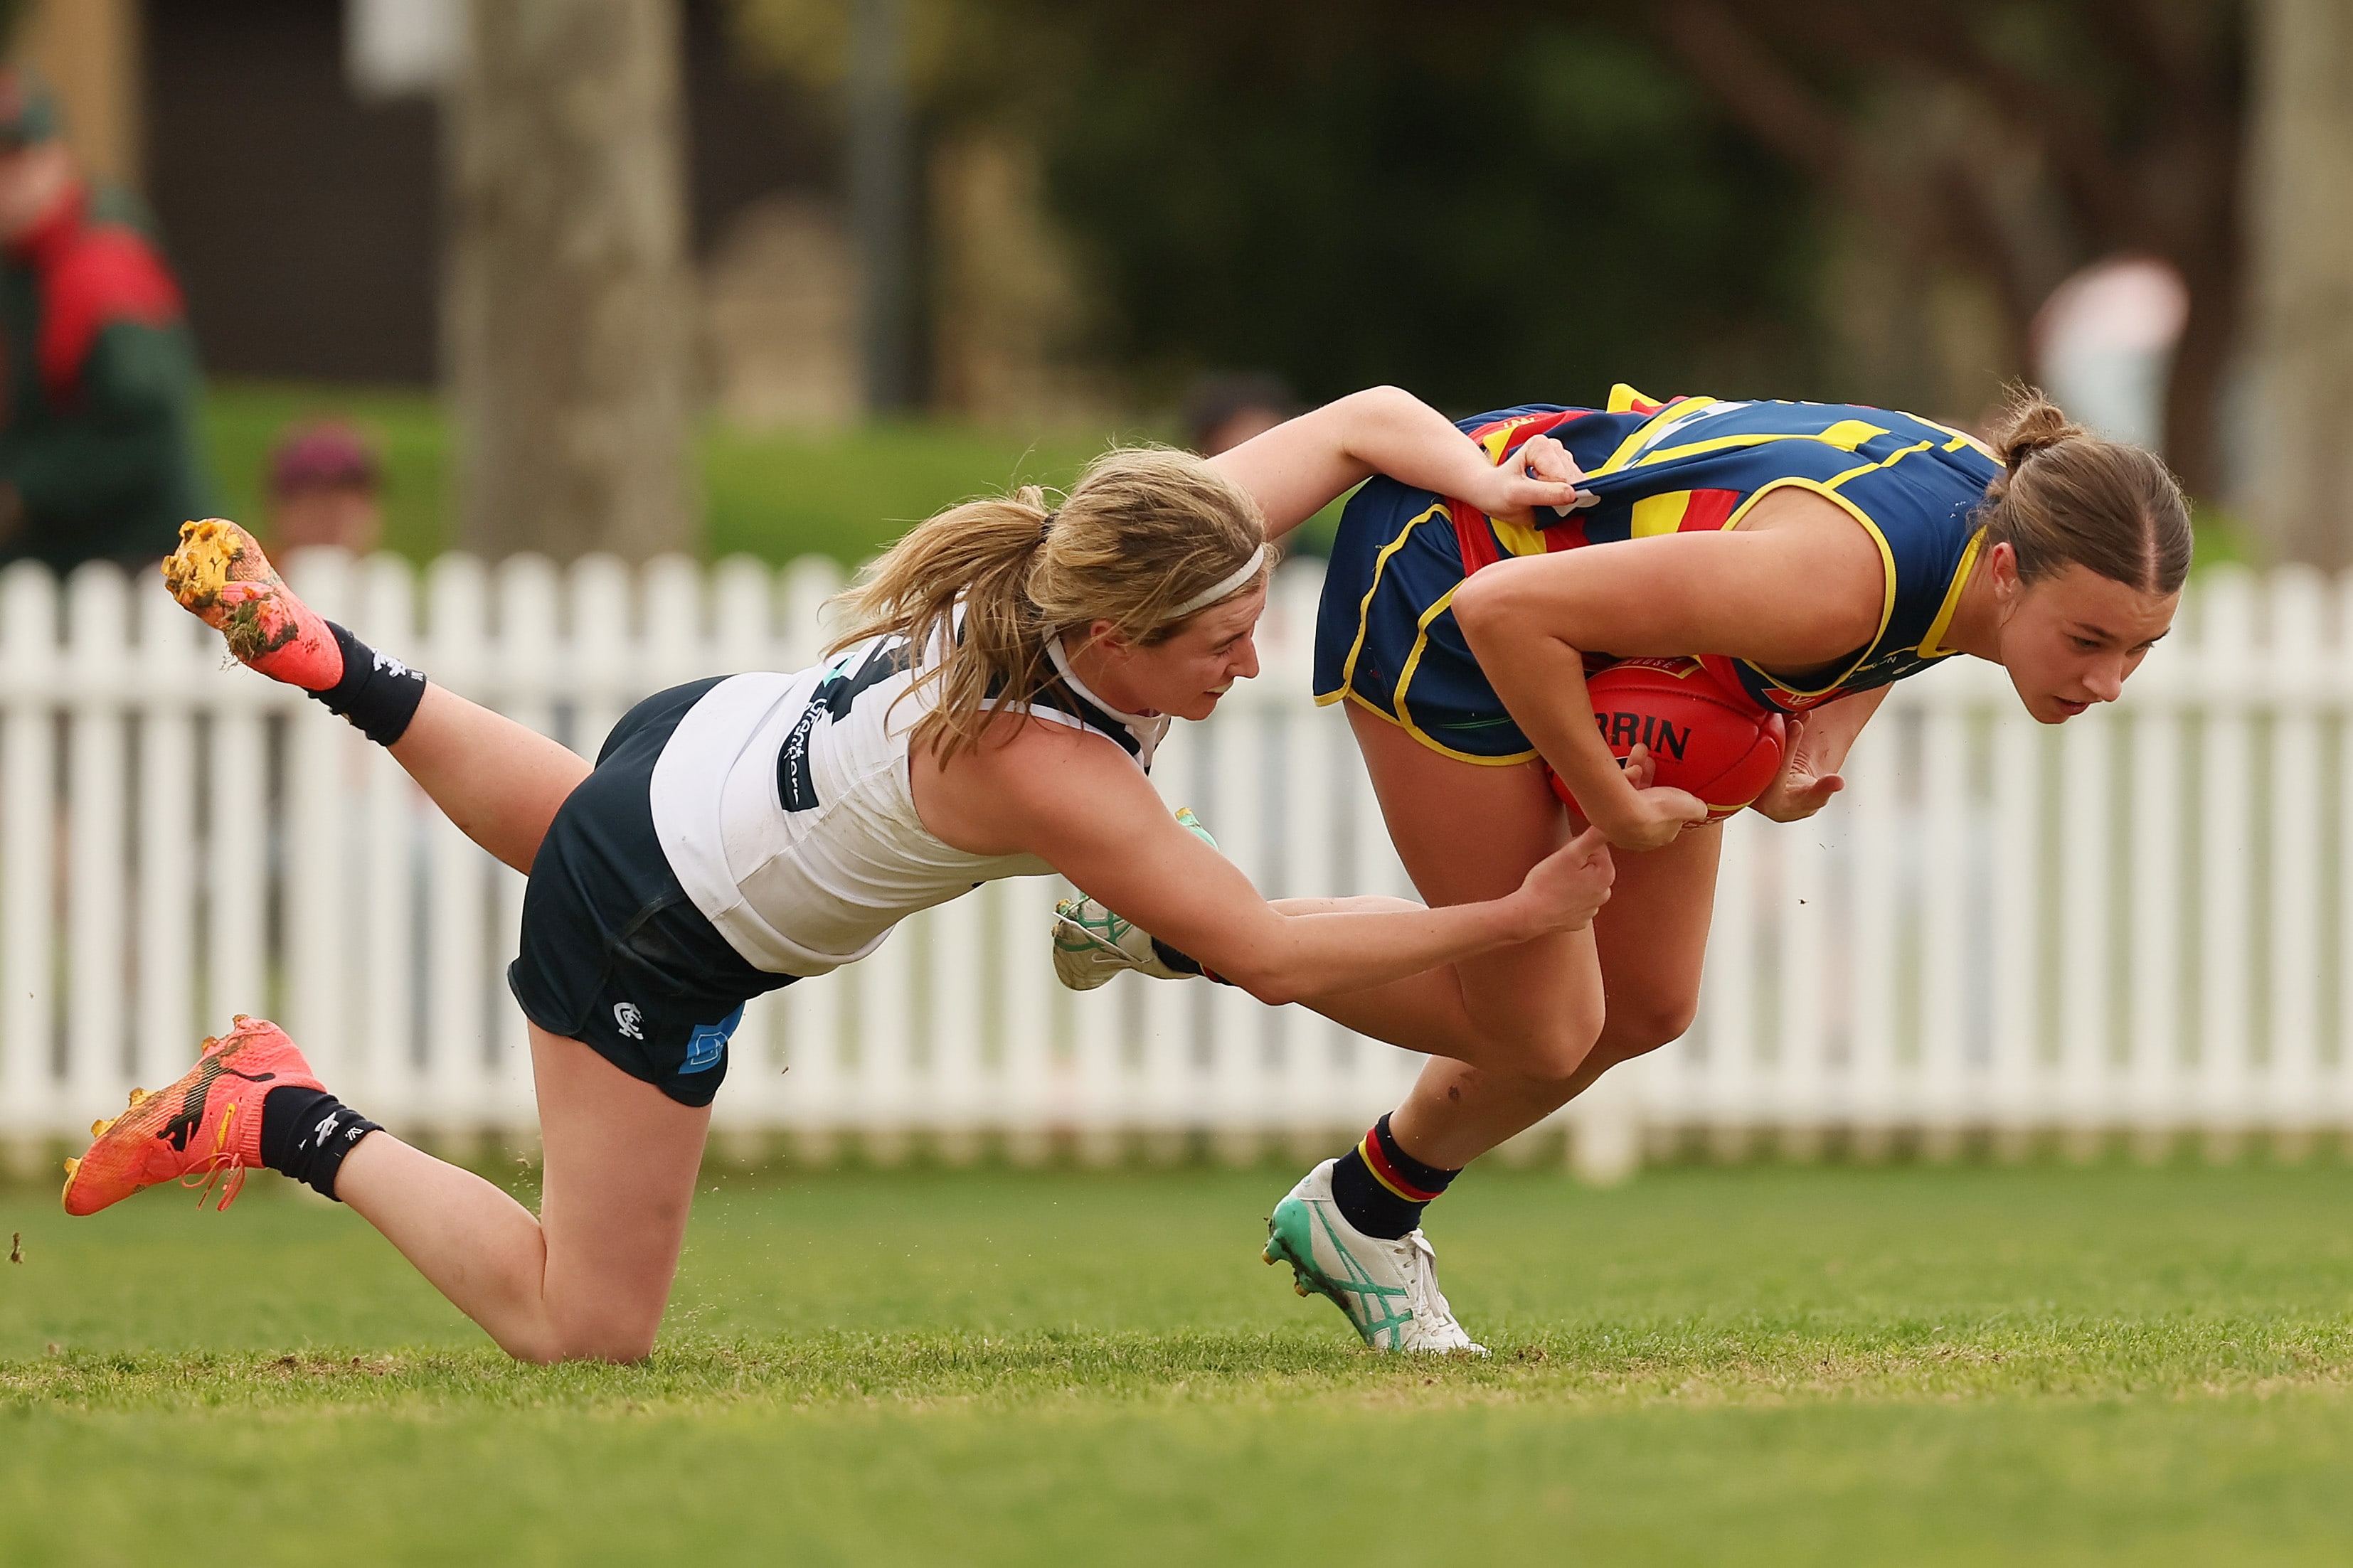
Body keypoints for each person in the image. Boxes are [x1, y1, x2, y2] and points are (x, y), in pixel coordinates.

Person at [61, 417, 1618, 1365]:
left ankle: (346, 668)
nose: (1251, 657)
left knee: (595, 828)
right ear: (1125, 634)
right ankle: (277, 1110)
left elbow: (1356, 420)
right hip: (658, 922)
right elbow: (1270, 951)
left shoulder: (1139, 546)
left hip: (687, 748)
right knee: (579, 1328)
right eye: (1222, 643)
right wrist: (1518, 917)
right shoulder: (1037, 761)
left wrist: (1492, 477)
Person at [1057, 384, 2192, 1352]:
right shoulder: (1834, 581)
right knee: (1540, 1026)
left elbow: (1905, 617)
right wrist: (1611, 800)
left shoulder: (1991, 513)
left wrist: (1823, 738)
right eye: (2090, 640)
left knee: (1645, 1002)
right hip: (1447, 581)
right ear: (2006, 571)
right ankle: (1174, 914)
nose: (2110, 681)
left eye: (2142, 648)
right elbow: (1505, 613)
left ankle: (1360, 1210)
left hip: (1635, 637)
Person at [0, 68, 209, 570]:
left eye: (15, 159)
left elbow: (146, 430)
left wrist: (23, 489)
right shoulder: (21, 267)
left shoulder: (102, 269)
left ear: (58, 159)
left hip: (146, 564)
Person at [265, 420, 383, 555]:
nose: (334, 519)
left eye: (348, 503)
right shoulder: (246, 571)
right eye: (316, 502)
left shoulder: (388, 572)